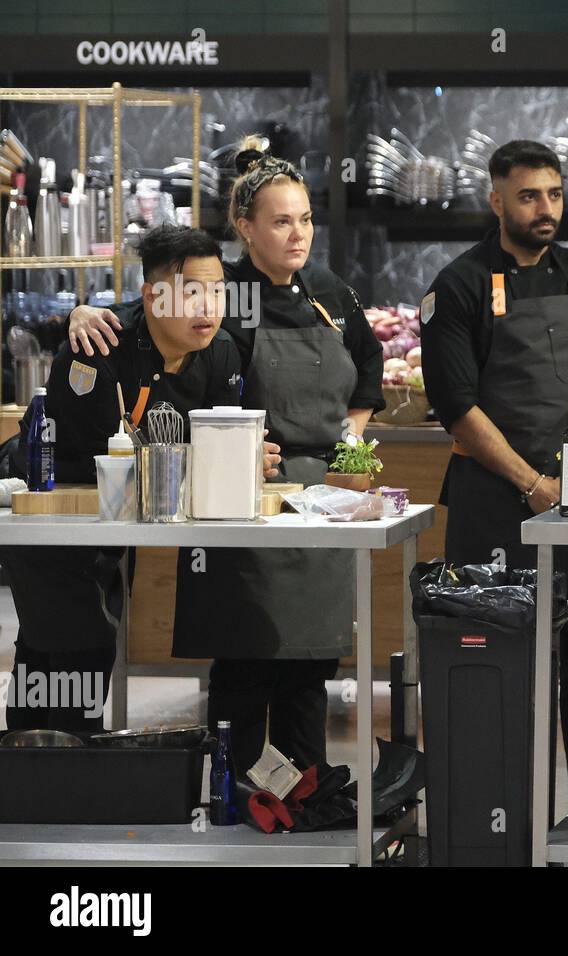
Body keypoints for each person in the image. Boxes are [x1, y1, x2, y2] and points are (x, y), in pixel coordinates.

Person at [66, 143, 384, 773]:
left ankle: (303, 796)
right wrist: (77, 314)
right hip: (240, 499)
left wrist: (347, 445)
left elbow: (368, 374)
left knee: (309, 666)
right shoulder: (223, 291)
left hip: (319, 500)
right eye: (281, 221)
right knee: (245, 660)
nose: (299, 234)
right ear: (245, 228)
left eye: (306, 219)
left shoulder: (329, 293)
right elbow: (152, 320)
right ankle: (234, 795)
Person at [420, 140, 568, 797]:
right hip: (494, 500)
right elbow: (458, 408)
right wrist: (532, 484)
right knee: (495, 652)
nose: (545, 208)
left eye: (554, 194)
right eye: (528, 196)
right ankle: (498, 807)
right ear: (496, 201)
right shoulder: (456, 285)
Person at [2, 225, 252, 734]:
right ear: (153, 297)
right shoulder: (97, 342)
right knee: (80, 641)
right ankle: (64, 768)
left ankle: (29, 764)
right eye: (191, 292)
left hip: (116, 519)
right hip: (47, 506)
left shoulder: (222, 351)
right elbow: (106, 458)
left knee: (49, 643)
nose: (209, 305)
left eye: (217, 290)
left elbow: (211, 445)